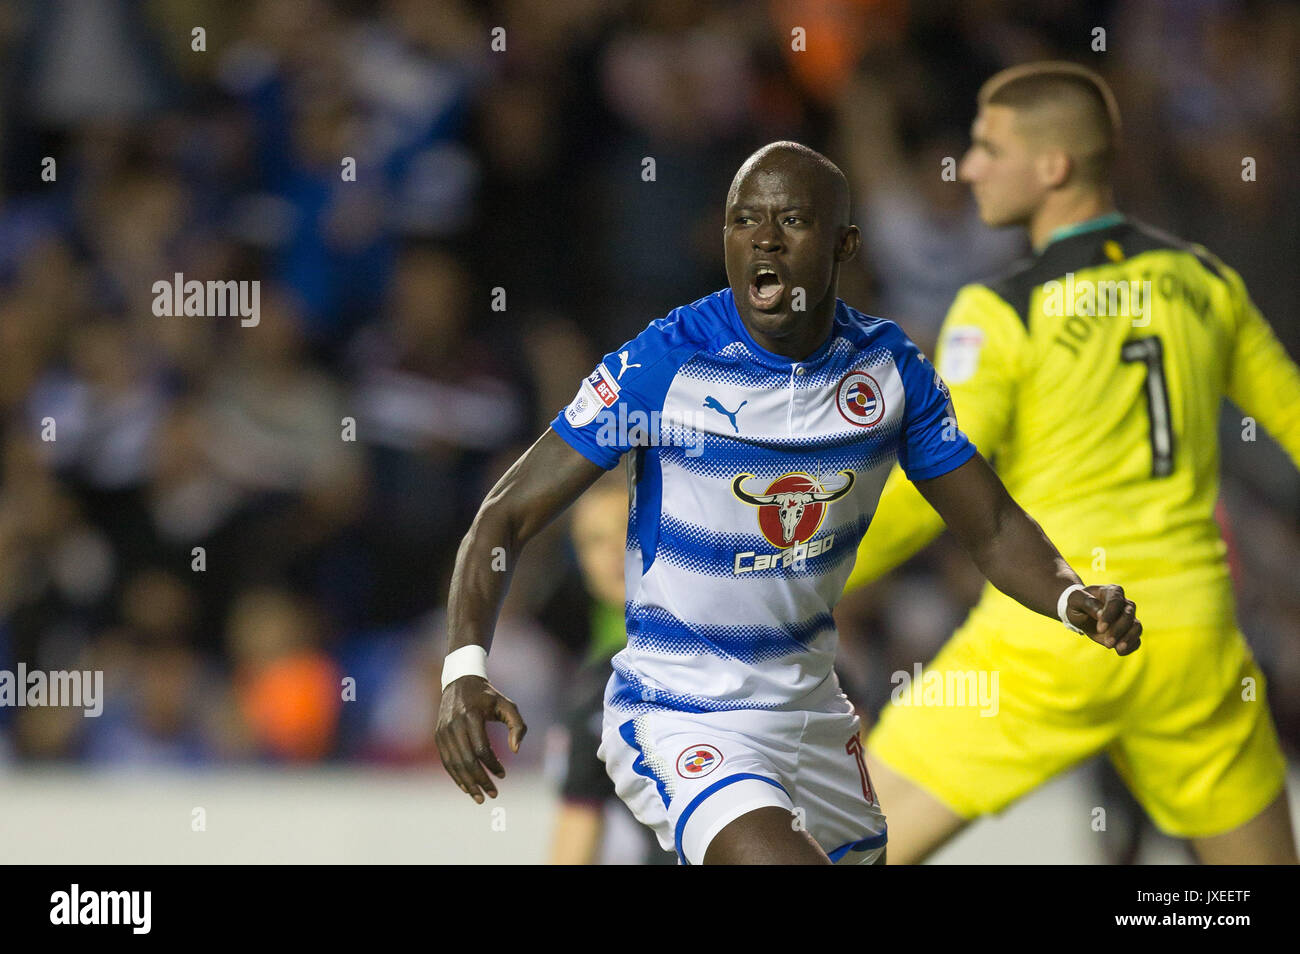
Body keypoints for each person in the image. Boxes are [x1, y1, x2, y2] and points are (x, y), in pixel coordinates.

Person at [436, 140, 1140, 865]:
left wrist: (1069, 595)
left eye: (792, 220)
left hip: (812, 717)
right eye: (745, 221)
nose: (764, 239)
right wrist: (464, 667)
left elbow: (991, 527)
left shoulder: (890, 373)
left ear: (845, 243)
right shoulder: (664, 363)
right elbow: (505, 512)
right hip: (682, 712)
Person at [844, 62, 1300, 865]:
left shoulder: (1002, 310)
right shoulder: (1205, 281)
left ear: (1051, 167)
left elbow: (939, 487)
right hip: (1193, 641)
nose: (969, 166)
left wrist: (794, 579)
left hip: (1052, 637)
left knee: (834, 846)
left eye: (988, 148)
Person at [548, 472, 671, 864]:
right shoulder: (596, 695)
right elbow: (575, 839)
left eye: (626, 527)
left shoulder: (761, 644)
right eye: (593, 541)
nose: (612, 551)